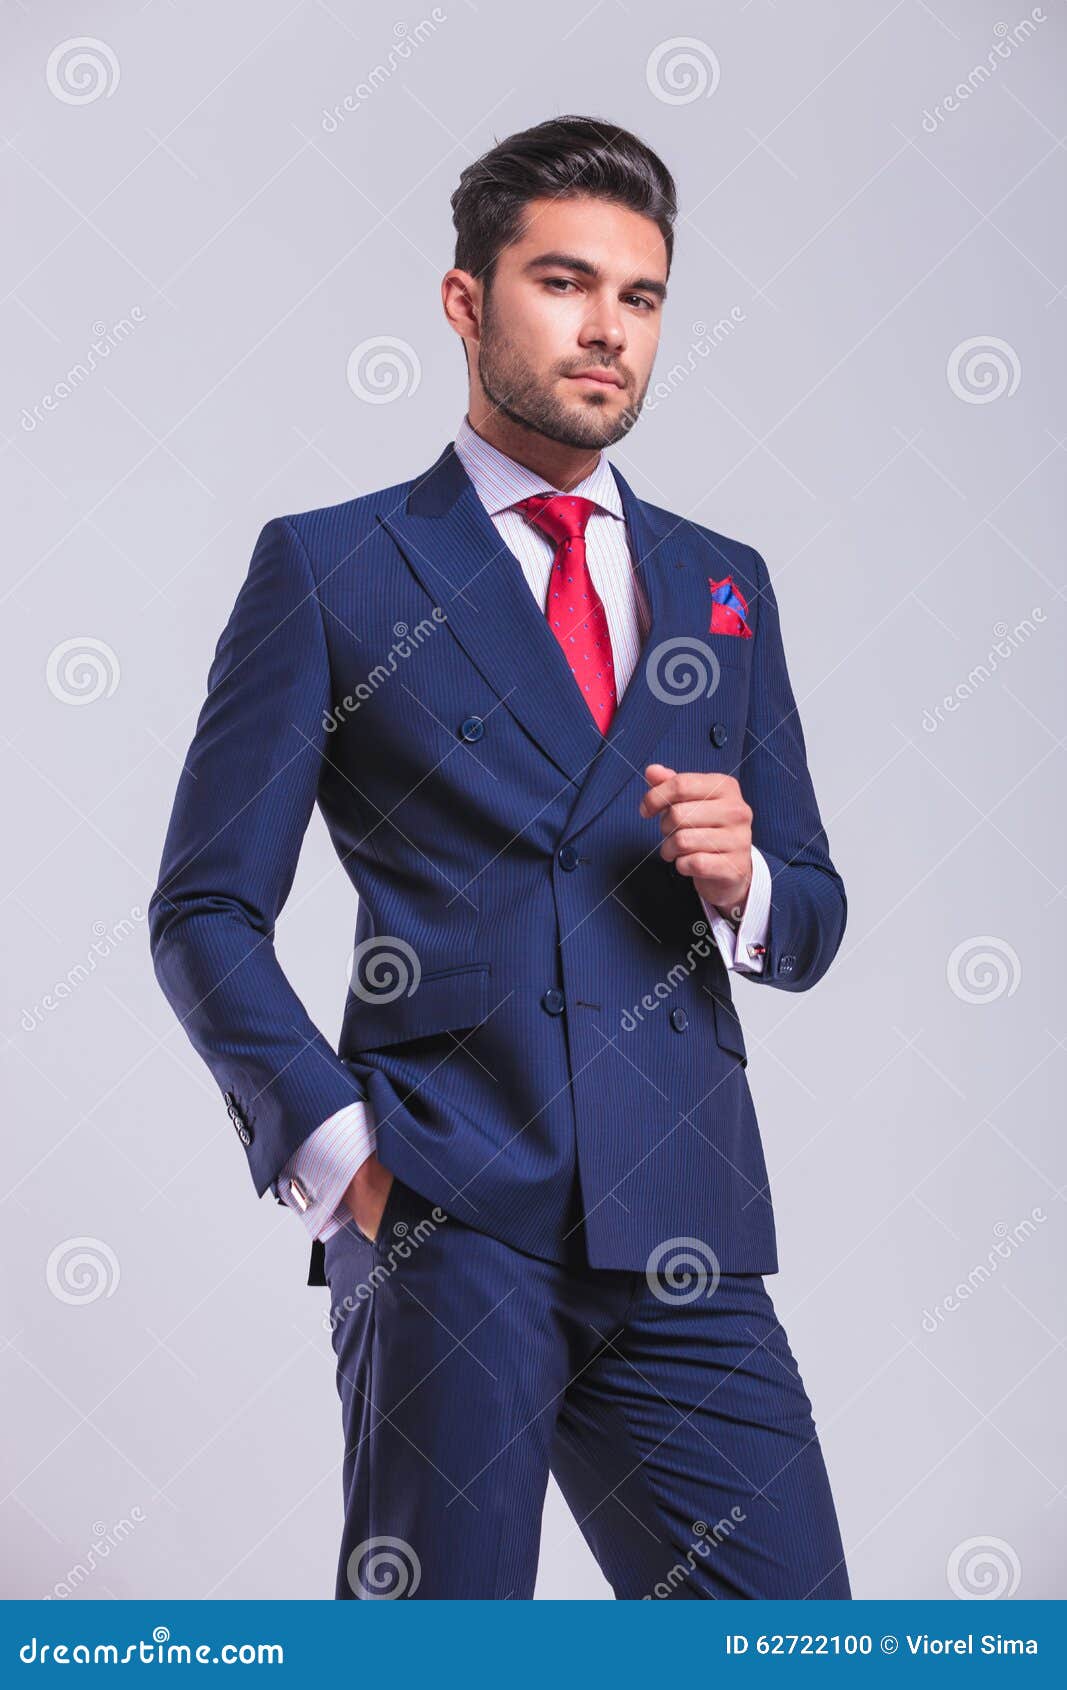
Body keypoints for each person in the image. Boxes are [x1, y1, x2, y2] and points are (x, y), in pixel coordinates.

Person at [149, 114, 850, 1601]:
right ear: (466, 302)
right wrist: (351, 1168)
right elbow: (204, 908)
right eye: (564, 281)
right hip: (450, 1215)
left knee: (798, 1636)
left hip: (684, 1219)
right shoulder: (336, 568)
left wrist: (748, 887)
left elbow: (812, 905)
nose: (608, 330)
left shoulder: (722, 583)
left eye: (642, 298)